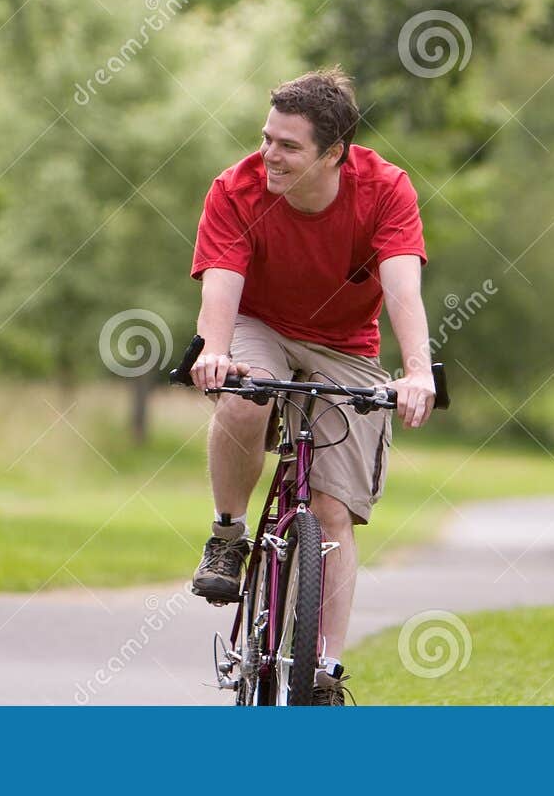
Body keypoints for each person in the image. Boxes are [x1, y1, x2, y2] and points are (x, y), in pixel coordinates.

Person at [186, 67, 437, 705]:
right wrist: (215, 352)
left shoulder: (385, 190)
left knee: (332, 516)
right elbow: (221, 285)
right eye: (267, 137)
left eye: (288, 146)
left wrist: (417, 371)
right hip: (259, 324)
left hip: (345, 346)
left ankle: (323, 672)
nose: (269, 154)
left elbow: (403, 286)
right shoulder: (237, 189)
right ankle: (226, 534)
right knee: (247, 393)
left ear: (334, 154)